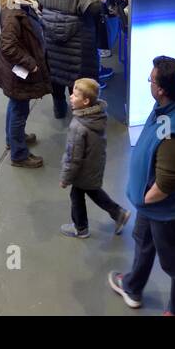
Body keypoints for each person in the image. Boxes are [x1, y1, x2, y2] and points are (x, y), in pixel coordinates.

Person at [108, 56, 175, 316]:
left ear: (160, 89)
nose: (148, 82)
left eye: (151, 79)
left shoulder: (172, 133)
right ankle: (133, 285)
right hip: (154, 208)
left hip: (166, 210)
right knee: (143, 241)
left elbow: (167, 181)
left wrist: (144, 199)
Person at [35, 0, 103, 120]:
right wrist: (100, 0)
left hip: (51, 40)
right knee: (77, 80)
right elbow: (92, 9)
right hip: (77, 42)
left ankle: (59, 109)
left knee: (56, 76)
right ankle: (80, 114)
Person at [60, 77, 130, 239]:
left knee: (77, 195)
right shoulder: (97, 116)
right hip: (95, 163)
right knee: (93, 191)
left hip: (82, 169)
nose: (70, 96)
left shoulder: (78, 126)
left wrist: (65, 177)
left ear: (85, 102)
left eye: (75, 95)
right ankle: (118, 213)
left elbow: (73, 156)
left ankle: (81, 228)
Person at [0, 0, 50, 168]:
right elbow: (8, 46)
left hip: (14, 72)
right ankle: (19, 154)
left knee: (16, 106)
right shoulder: (13, 15)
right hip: (19, 73)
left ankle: (13, 139)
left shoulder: (19, 5)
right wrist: (31, 64)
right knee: (19, 110)